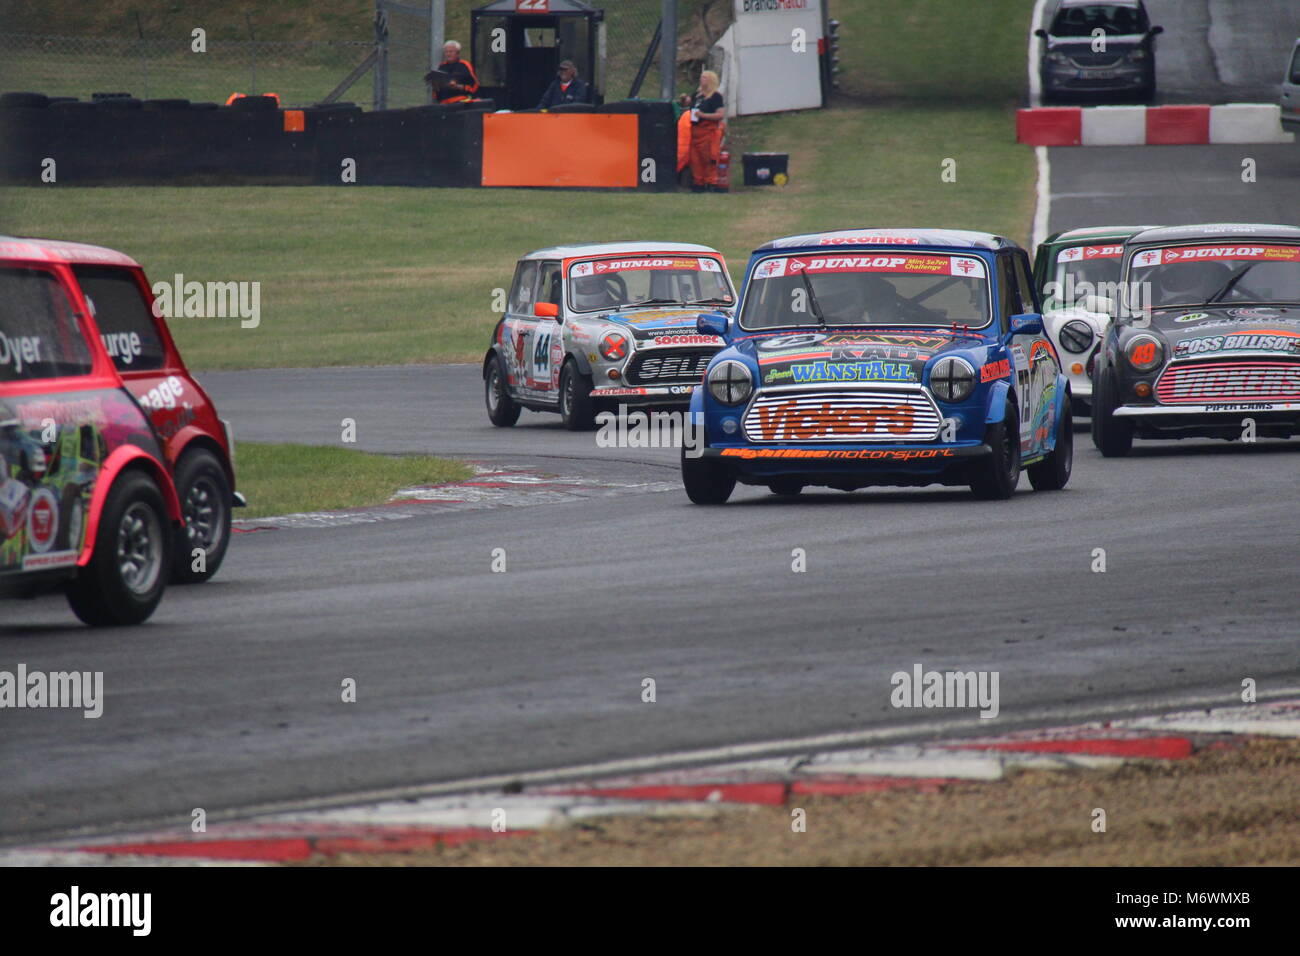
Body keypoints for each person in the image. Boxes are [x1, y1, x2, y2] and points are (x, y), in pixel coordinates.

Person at [686, 70, 726, 192]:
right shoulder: (697, 95)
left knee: (709, 158)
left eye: (704, 77)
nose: (701, 79)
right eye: (701, 77)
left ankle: (710, 183)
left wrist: (703, 115)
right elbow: (690, 107)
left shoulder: (715, 96)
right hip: (695, 130)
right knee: (695, 159)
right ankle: (698, 183)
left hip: (708, 130)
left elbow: (720, 115)